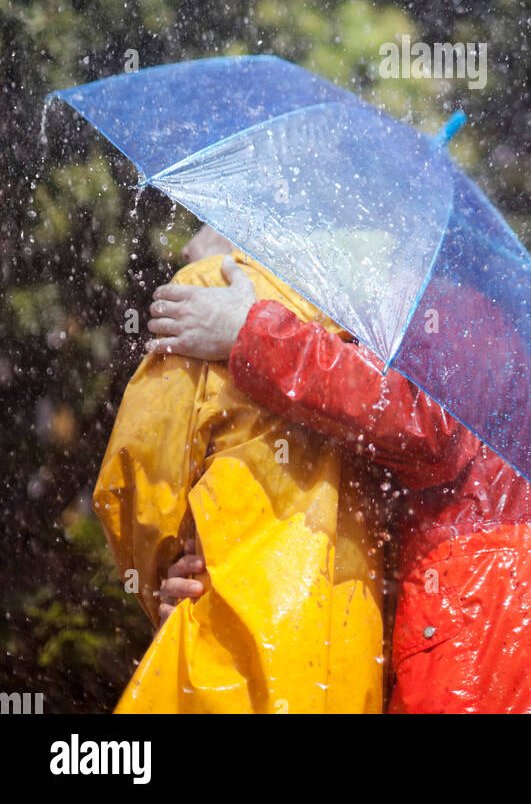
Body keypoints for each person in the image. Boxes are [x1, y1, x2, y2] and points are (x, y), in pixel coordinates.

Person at [147, 259, 531, 714]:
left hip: (484, 633)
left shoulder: (447, 300)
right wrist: (219, 595)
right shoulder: (432, 306)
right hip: (490, 624)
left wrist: (252, 333)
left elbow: (422, 418)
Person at [93, 226, 385, 714]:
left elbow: (140, 479)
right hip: (350, 651)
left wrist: (159, 577)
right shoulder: (372, 319)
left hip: (227, 648)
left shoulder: (205, 288)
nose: (188, 239)